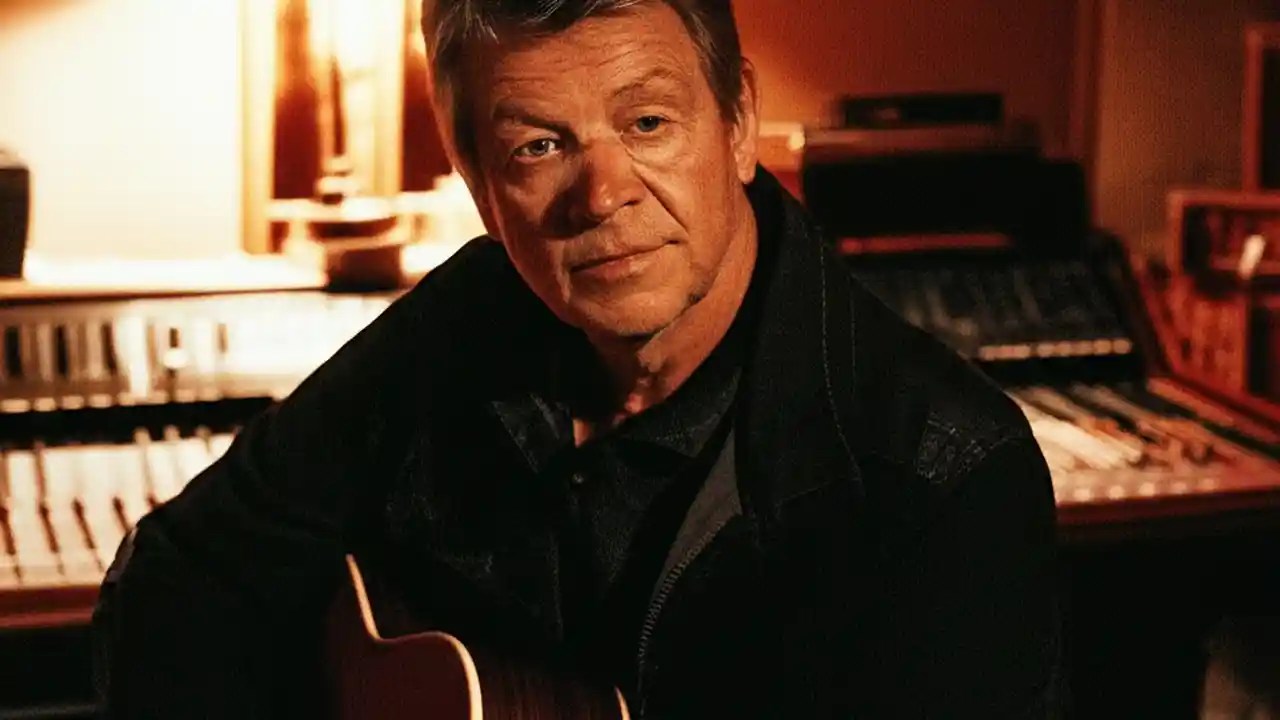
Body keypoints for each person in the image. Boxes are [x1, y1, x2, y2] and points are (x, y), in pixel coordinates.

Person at [92, 0, 1062, 716]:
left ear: (735, 127)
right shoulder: (464, 319)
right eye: (538, 147)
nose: (600, 195)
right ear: (476, 183)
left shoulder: (939, 472)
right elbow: (177, 584)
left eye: (646, 123)